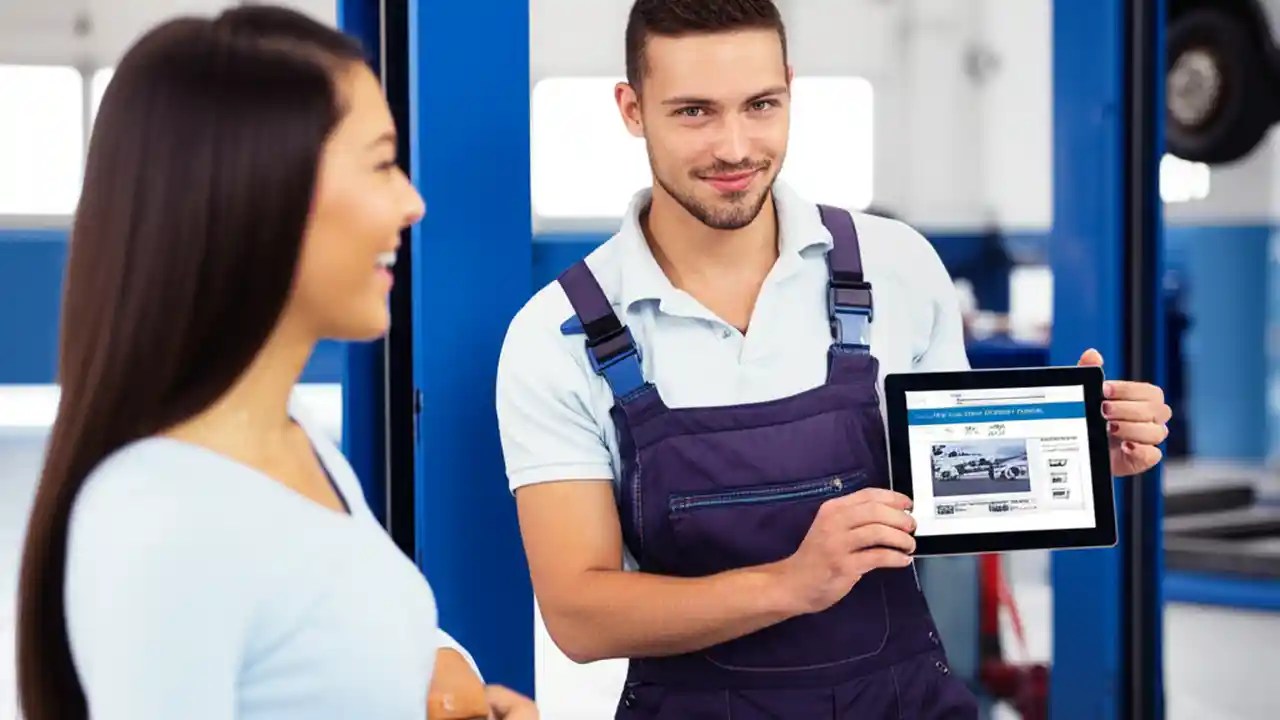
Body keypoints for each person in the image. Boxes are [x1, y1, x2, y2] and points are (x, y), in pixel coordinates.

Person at [494, 0, 1172, 717]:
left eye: (761, 104)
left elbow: (951, 499)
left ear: (790, 86)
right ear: (632, 109)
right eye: (694, 112)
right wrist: (790, 583)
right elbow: (580, 614)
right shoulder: (559, 335)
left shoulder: (897, 267)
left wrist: (1076, 453)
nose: (733, 146)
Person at [15, 6, 536, 720]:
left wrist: (446, 675)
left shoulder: (300, 442)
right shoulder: (160, 516)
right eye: (382, 163)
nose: (412, 203)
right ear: (263, 187)